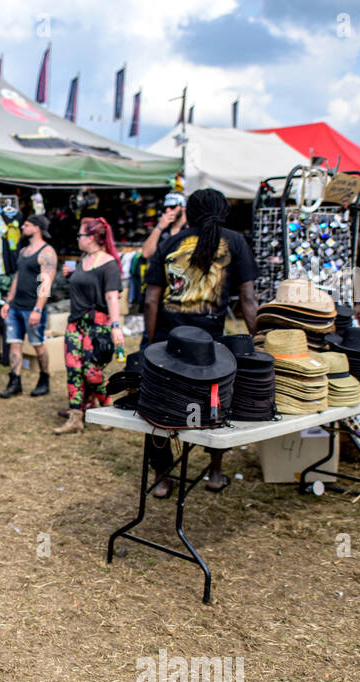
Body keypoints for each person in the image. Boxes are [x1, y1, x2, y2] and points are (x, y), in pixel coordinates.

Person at [142, 188, 258, 494]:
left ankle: (162, 479)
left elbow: (151, 300)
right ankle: (215, 474)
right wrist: (256, 338)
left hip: (169, 342)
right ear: (223, 212)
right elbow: (247, 298)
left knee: (159, 409)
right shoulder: (235, 242)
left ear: (188, 213)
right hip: (211, 347)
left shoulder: (170, 242)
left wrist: (151, 342)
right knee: (216, 408)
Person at [53, 217, 124, 435]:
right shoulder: (84, 260)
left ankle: (108, 408)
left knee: (92, 372)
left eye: (80, 235)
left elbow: (112, 297)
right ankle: (76, 418)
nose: (77, 239)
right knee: (73, 370)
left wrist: (116, 327)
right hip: (75, 325)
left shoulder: (109, 264)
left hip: (98, 326)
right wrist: (72, 275)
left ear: (91, 238)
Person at [0, 214, 57, 398]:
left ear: (37, 228)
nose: (23, 226)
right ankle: (14, 382)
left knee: (37, 345)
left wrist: (37, 309)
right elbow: (17, 277)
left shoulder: (47, 253)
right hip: (16, 307)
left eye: (27, 224)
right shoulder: (24, 251)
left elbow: (45, 285)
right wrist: (8, 301)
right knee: (14, 344)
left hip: (32, 308)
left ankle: (44, 378)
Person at [141, 191, 187, 261]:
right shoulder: (163, 228)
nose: (168, 210)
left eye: (172, 207)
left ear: (183, 207)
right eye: (165, 207)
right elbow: (146, 253)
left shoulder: (189, 228)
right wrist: (159, 227)